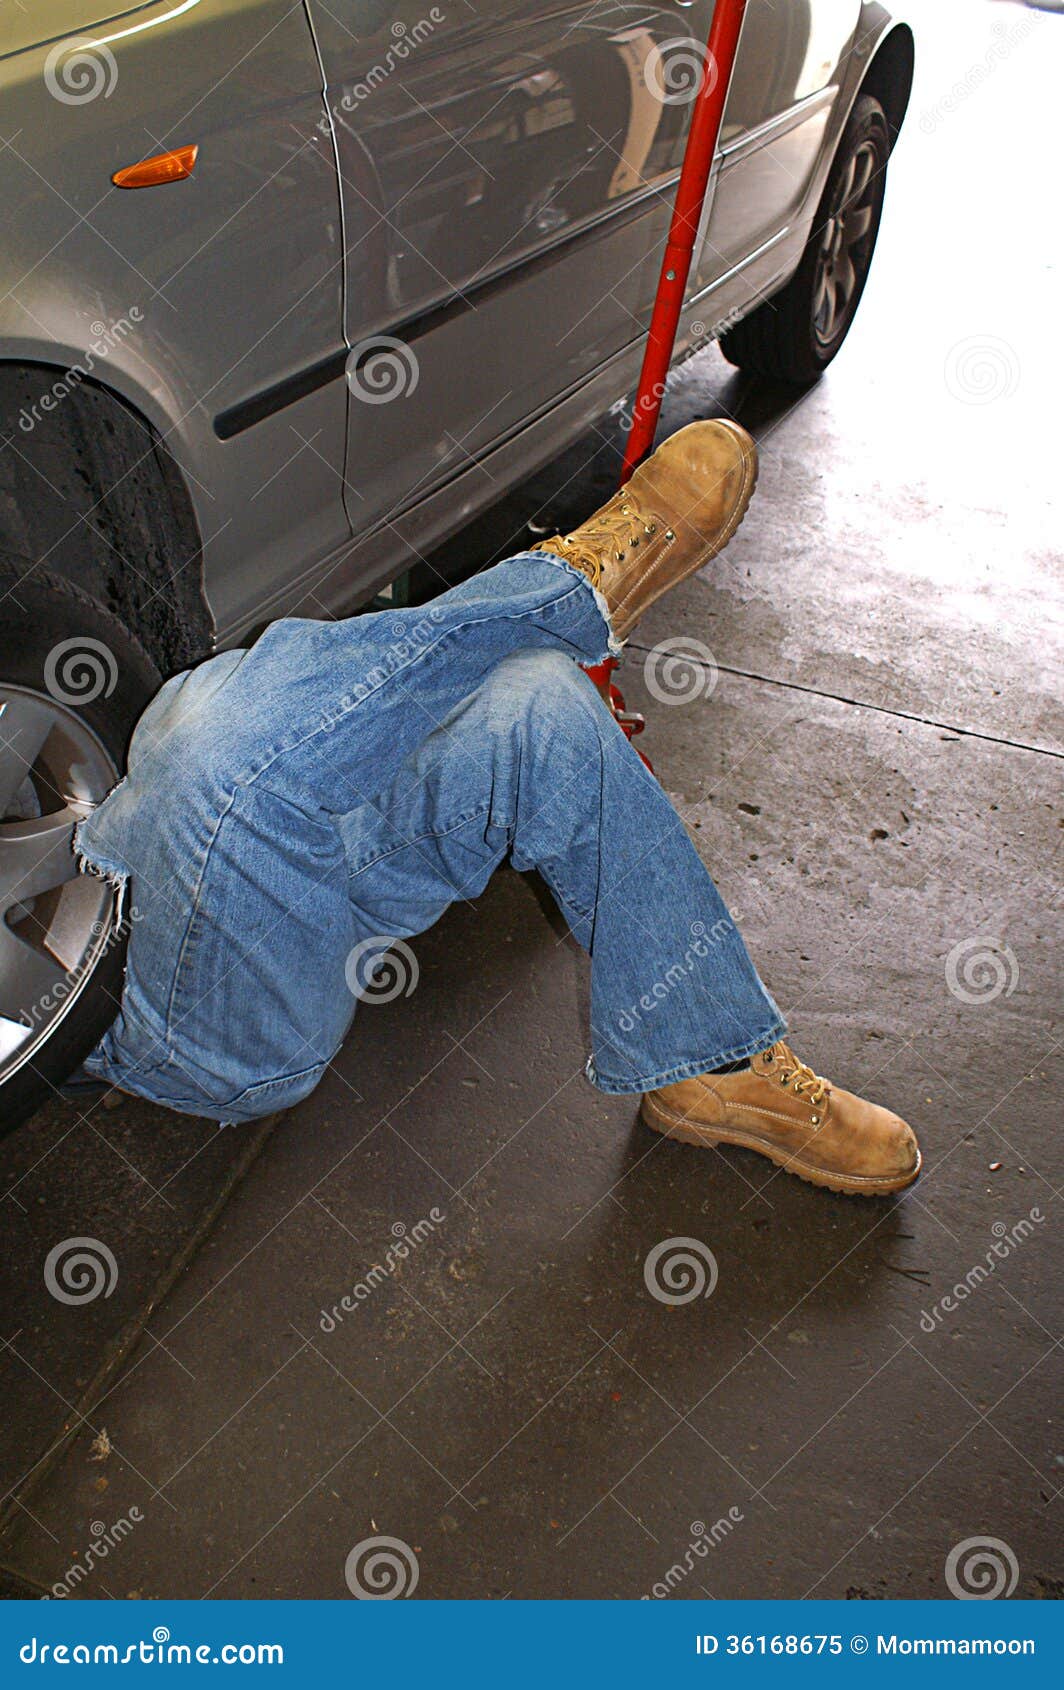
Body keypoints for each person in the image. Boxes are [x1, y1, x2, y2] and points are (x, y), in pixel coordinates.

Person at [70, 420, 921, 1196]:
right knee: (210, 754)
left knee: (536, 705)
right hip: (160, 1012)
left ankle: (707, 1051)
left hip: (178, 864)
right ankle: (562, 591)